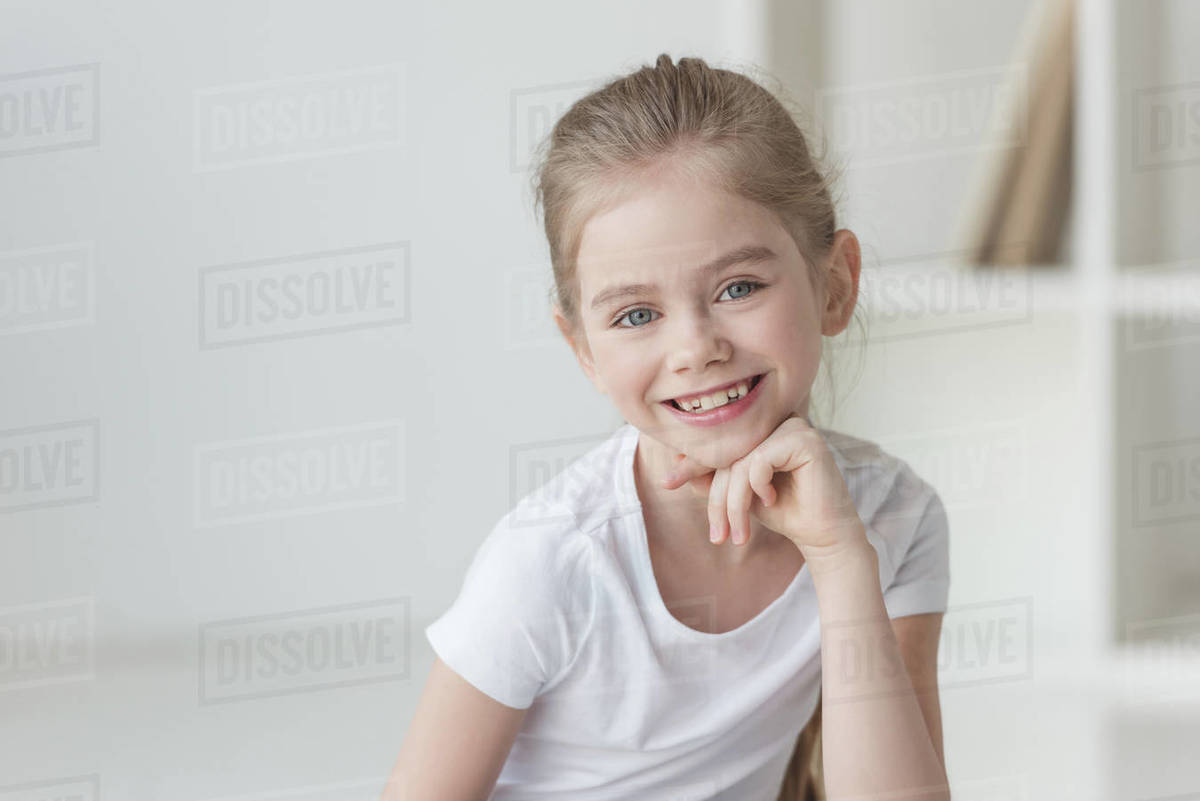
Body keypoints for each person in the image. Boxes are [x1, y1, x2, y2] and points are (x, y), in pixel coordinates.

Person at [382, 53, 951, 801]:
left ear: (835, 284)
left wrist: (842, 561)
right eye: (637, 314)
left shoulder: (891, 517)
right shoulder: (551, 561)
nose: (695, 349)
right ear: (583, 348)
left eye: (738, 287)